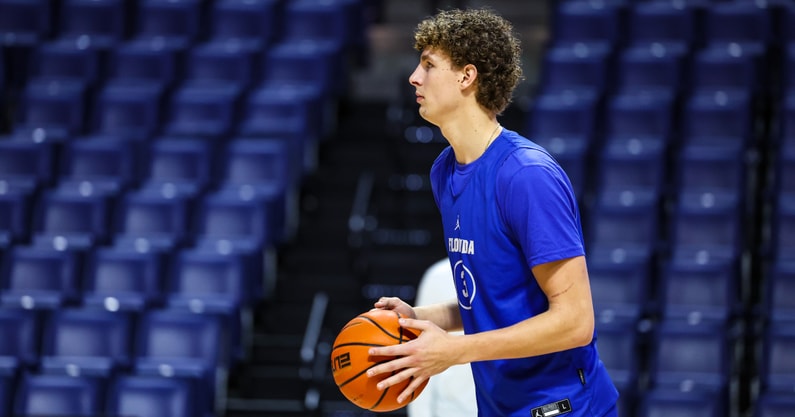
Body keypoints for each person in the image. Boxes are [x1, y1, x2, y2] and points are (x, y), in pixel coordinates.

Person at [366, 8, 619, 417]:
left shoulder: (526, 176)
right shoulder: (444, 170)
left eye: (429, 65)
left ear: (467, 77)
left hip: (563, 407)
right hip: (501, 406)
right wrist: (418, 316)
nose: (414, 76)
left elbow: (575, 322)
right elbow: (491, 301)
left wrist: (454, 352)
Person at [407, 259, 477, 417]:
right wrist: (416, 315)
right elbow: (420, 355)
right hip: (450, 409)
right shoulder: (438, 275)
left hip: (505, 403)